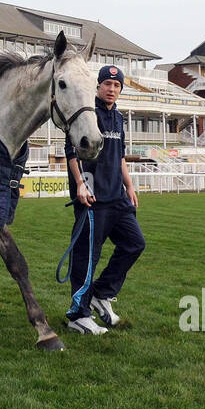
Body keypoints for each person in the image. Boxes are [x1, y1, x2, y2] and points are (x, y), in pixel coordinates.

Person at [63, 65, 146, 335]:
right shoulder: (88, 114)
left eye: (117, 85)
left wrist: (130, 186)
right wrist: (79, 185)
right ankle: (78, 314)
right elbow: (72, 152)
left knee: (134, 244)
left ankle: (102, 293)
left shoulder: (119, 118)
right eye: (107, 84)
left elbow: (120, 157)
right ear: (98, 86)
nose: (112, 89)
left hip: (117, 199)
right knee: (88, 257)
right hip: (92, 199)